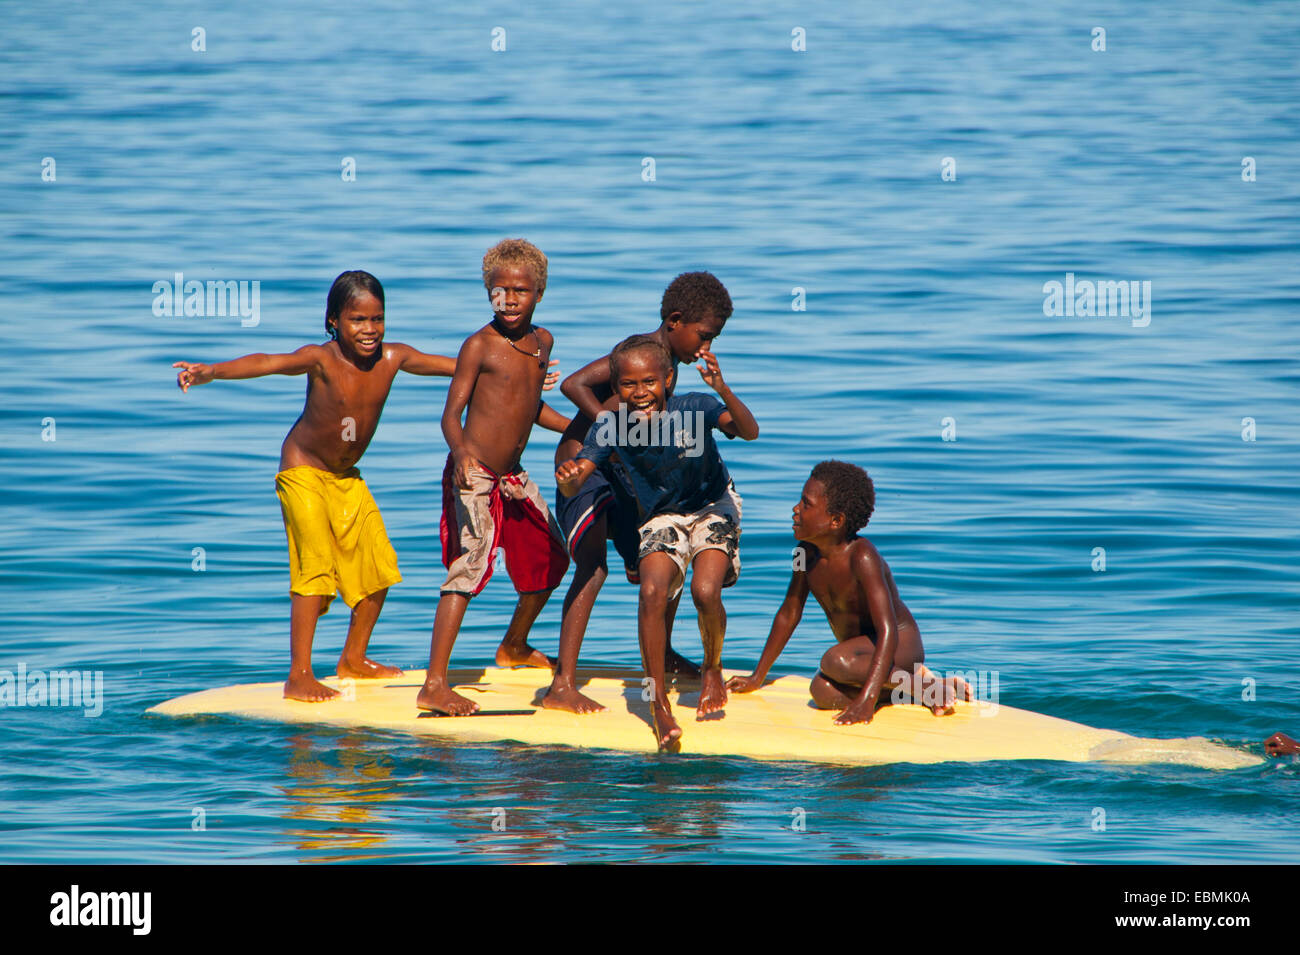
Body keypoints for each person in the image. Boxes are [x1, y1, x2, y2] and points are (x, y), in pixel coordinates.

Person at [173, 270, 511, 702]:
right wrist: (212, 372)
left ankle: (353, 658)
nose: (369, 330)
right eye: (357, 320)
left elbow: (463, 368)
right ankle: (299, 674)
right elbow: (269, 362)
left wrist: (516, 373)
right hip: (303, 472)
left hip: (347, 479)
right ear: (333, 320)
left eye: (377, 319)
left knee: (378, 568)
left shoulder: (395, 358)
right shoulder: (322, 359)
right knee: (314, 567)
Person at [544, 272, 734, 714]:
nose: (706, 349)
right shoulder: (637, 356)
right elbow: (573, 384)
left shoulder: (666, 374)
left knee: (654, 570)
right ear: (675, 321)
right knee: (592, 567)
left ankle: (662, 654)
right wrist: (619, 437)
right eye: (704, 337)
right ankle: (563, 684)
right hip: (588, 468)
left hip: (629, 473)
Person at [557, 335, 758, 749]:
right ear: (615, 390)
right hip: (662, 516)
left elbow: (748, 432)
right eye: (628, 385)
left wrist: (723, 389)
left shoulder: (696, 408)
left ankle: (712, 668)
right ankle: (658, 703)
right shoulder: (612, 426)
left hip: (712, 505)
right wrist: (573, 478)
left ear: (667, 378)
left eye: (649, 382)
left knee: (705, 591)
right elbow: (584, 467)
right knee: (651, 591)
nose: (640, 393)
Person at [416, 239, 571, 716]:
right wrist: (460, 451)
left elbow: (529, 407)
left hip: (512, 475)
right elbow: (450, 414)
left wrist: (580, 428)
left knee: (554, 554)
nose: (508, 299)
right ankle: (434, 683)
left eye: (520, 291)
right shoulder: (478, 346)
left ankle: (515, 645)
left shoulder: (543, 342)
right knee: (471, 566)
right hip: (476, 472)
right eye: (498, 290)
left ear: (539, 293)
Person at [727, 460, 970, 722]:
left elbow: (887, 629)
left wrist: (866, 702)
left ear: (836, 520)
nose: (796, 509)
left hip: (898, 646)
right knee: (821, 691)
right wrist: (757, 677)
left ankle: (923, 686)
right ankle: (912, 689)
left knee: (834, 661)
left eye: (806, 504)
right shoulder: (803, 553)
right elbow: (790, 611)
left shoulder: (862, 557)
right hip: (858, 656)